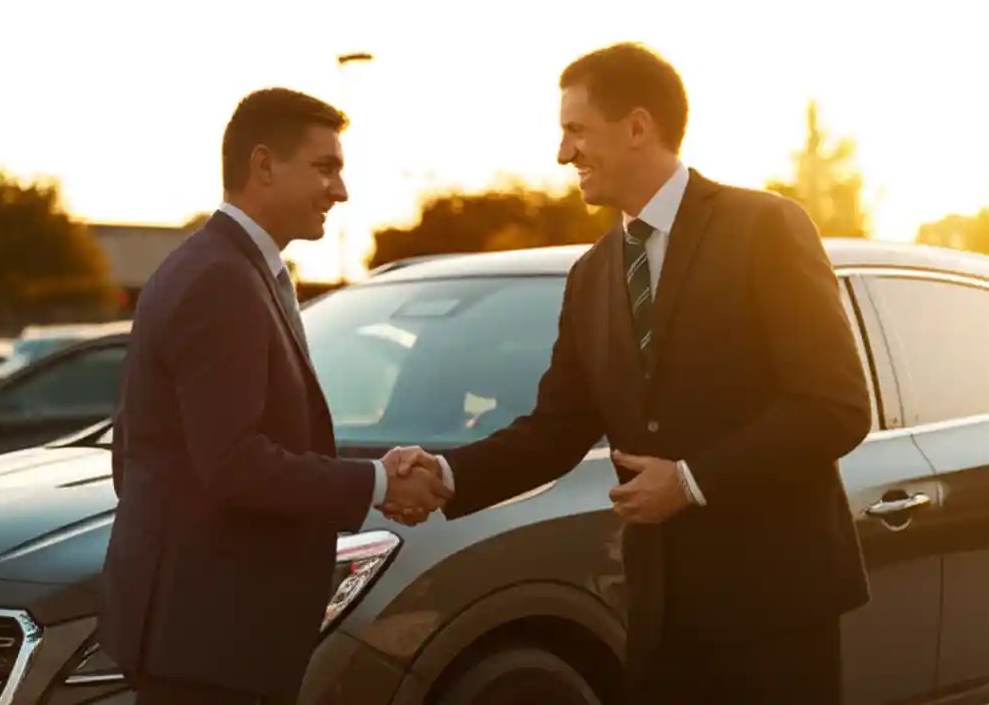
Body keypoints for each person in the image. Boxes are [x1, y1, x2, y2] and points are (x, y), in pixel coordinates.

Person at [386, 43, 872, 703]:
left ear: (638, 127)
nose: (563, 154)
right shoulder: (591, 276)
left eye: (576, 130)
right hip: (660, 614)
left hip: (776, 608)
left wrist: (693, 481)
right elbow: (554, 430)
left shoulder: (765, 227)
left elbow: (834, 405)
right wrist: (445, 475)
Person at [98, 88, 452, 705]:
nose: (340, 191)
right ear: (263, 166)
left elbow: (133, 451)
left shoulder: (219, 266)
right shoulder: (221, 278)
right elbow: (233, 463)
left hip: (206, 637)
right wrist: (376, 483)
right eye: (325, 168)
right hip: (212, 647)